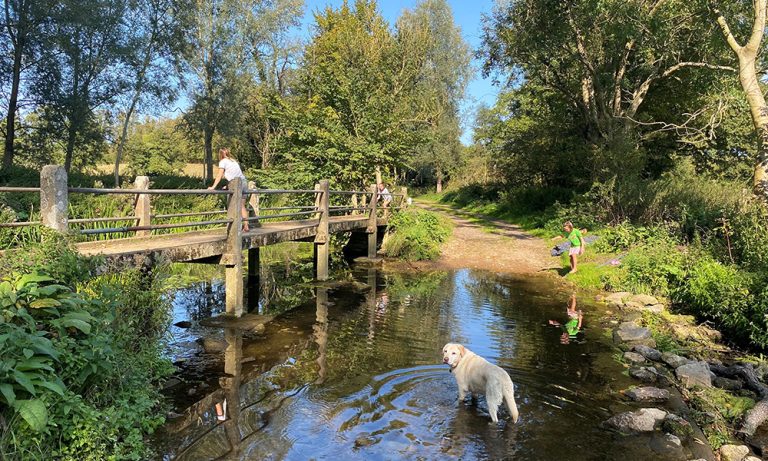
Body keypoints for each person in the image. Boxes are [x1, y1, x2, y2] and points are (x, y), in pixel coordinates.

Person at [208, 148, 250, 232]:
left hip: (237, 184)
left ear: (220, 155)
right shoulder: (233, 161)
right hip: (244, 182)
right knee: (242, 206)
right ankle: (246, 226)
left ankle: (232, 228)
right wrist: (227, 186)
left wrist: (213, 186)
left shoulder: (223, 162)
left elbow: (220, 175)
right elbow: (235, 175)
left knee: (231, 205)